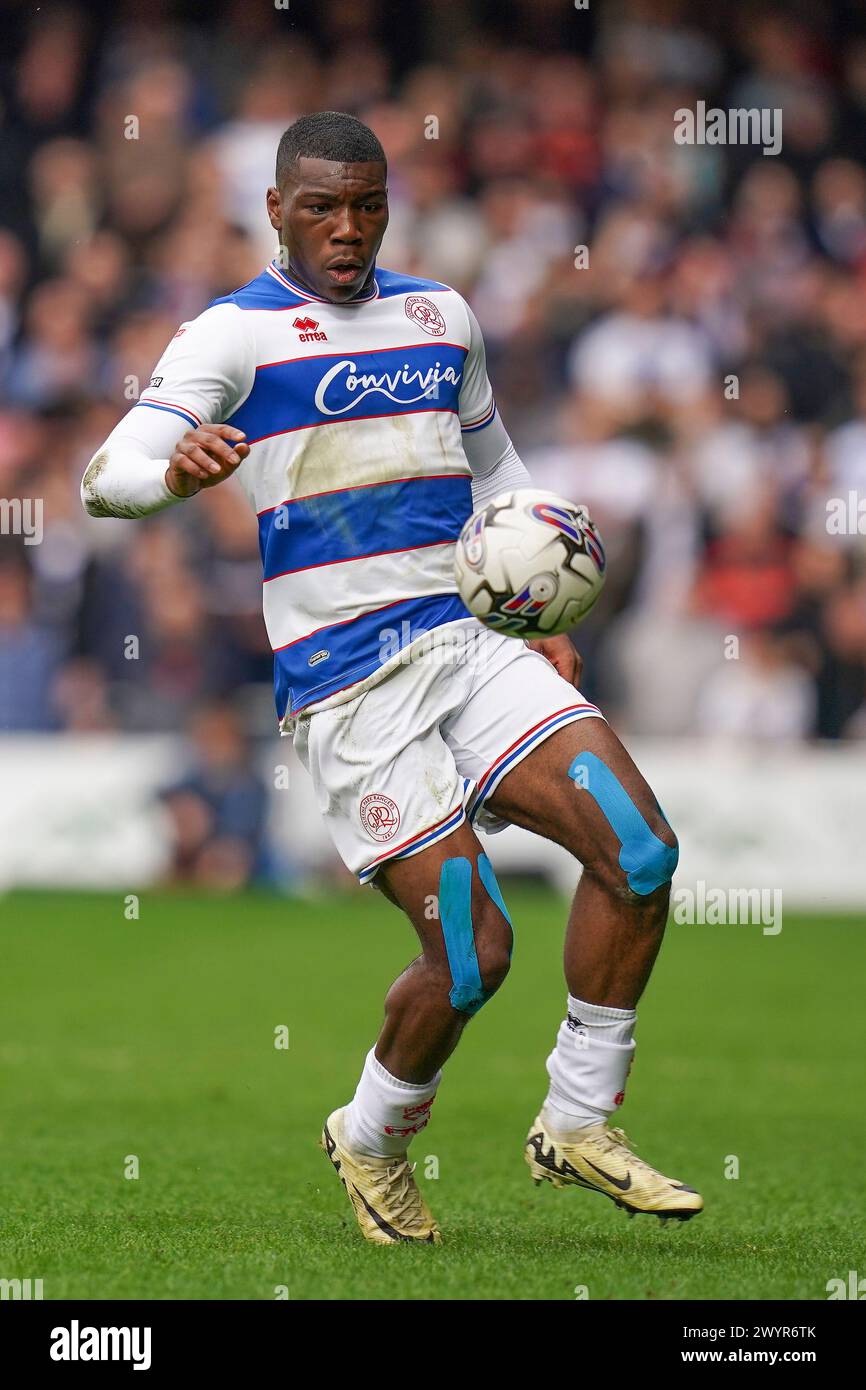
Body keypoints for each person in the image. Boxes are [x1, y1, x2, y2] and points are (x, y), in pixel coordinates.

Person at [81, 111, 701, 1244]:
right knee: (474, 953)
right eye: (320, 205)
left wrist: (536, 596)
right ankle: (369, 1135)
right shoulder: (233, 336)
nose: (347, 227)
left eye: (366, 204)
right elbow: (102, 475)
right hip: (346, 683)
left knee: (641, 848)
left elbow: (495, 462)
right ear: (274, 209)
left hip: (469, 644)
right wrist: (172, 469)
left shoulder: (440, 315)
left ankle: (576, 1118)